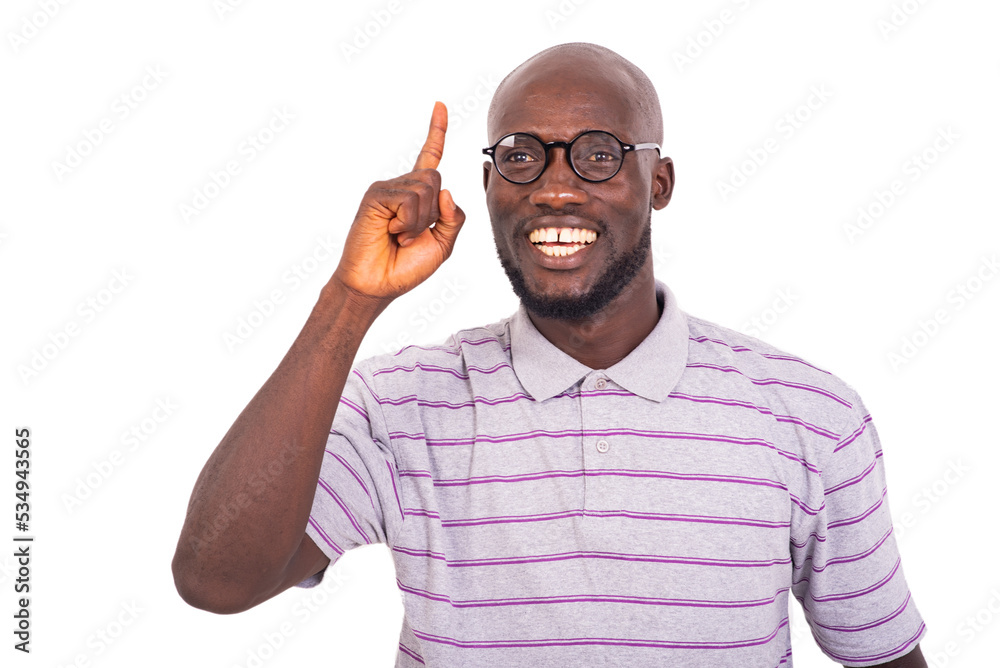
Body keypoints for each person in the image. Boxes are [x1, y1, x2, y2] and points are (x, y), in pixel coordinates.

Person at [172, 43, 927, 667]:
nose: (556, 189)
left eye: (598, 155)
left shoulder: (812, 418)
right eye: (522, 156)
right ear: (489, 184)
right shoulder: (401, 405)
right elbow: (216, 579)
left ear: (657, 183)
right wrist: (352, 298)